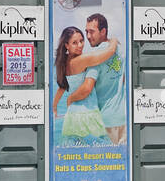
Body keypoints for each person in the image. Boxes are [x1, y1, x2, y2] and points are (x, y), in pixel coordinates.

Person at [52, 26, 117, 143]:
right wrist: (113, 41)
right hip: (87, 114)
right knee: (100, 150)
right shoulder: (81, 60)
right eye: (74, 43)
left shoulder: (64, 63)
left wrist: (55, 107)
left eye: (81, 41)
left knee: (74, 149)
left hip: (72, 116)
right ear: (66, 45)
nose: (80, 45)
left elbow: (62, 87)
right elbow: (110, 52)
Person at [84, 13, 127, 144]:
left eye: (92, 32)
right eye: (86, 32)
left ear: (103, 31)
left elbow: (87, 88)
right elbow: (123, 79)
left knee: (108, 162)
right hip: (124, 117)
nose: (88, 36)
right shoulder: (121, 50)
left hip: (107, 121)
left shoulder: (96, 55)